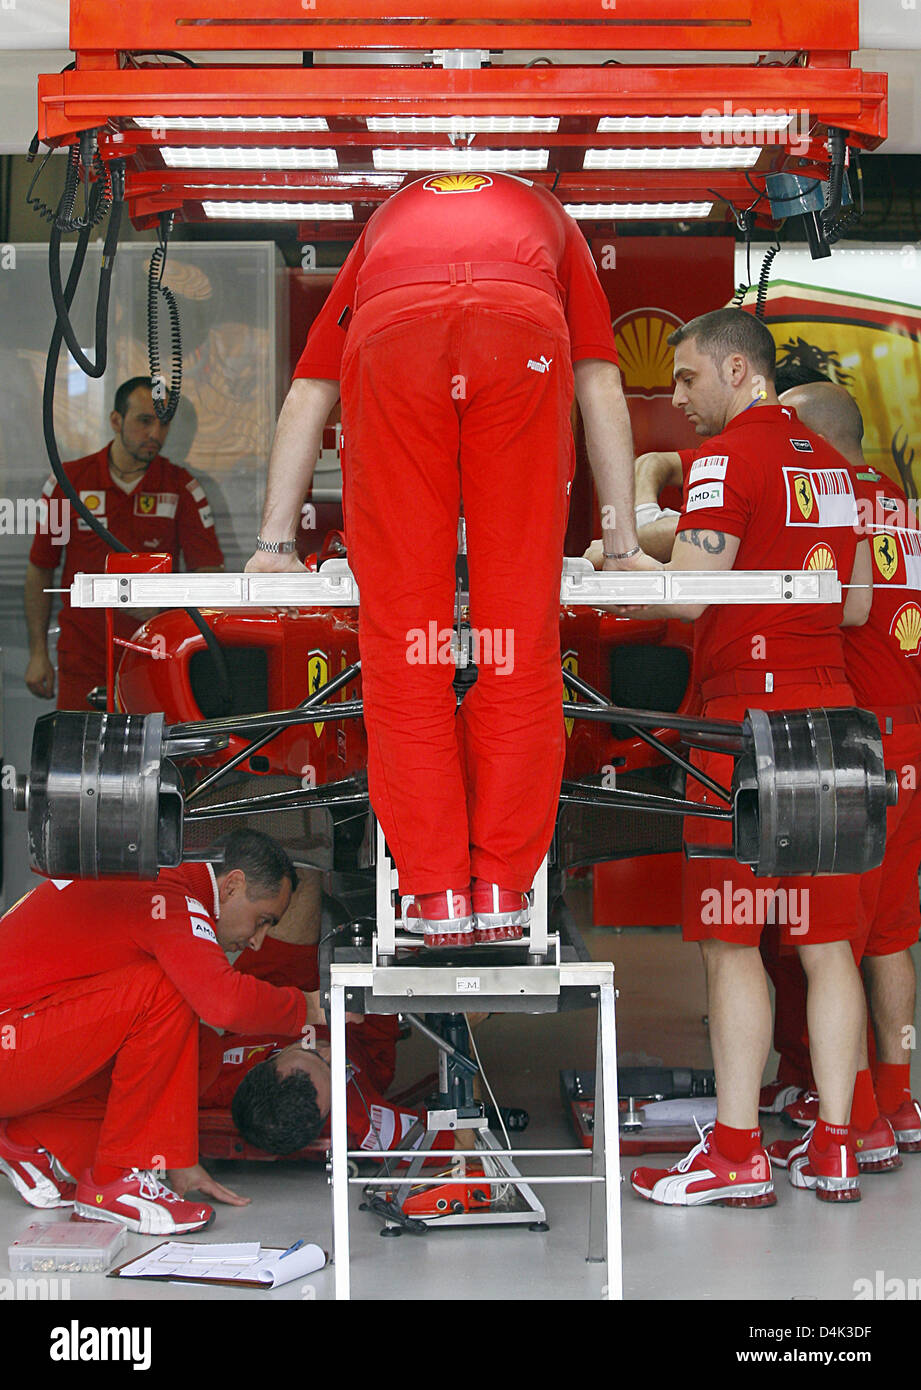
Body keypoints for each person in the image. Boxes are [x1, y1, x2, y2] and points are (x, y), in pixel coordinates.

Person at [244, 171, 656, 948]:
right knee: (518, 646)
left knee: (404, 653)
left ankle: (434, 895)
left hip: (394, 332)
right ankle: (500, 887)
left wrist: (274, 546)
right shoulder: (549, 215)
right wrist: (623, 542)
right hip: (519, 329)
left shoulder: (386, 223)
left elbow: (309, 392)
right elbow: (599, 382)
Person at [599, 308, 873, 1207]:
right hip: (830, 716)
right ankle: (834, 1146)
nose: (674, 397)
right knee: (827, 945)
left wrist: (620, 557)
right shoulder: (836, 470)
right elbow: (854, 606)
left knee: (730, 943)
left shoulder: (723, 459)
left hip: (741, 729)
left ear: (735, 371)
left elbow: (691, 589)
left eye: (685, 378)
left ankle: (739, 1153)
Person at [0, 829, 331, 1234]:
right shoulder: (166, 892)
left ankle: (32, 1139)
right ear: (232, 885)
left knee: (201, 1051)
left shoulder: (158, 880)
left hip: (22, 1045)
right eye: (262, 921)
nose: (259, 942)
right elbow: (223, 1003)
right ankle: (115, 1182)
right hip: (11, 1042)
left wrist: (175, 1156)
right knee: (162, 990)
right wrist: (313, 1006)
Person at [760, 382, 921, 1167]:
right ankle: (896, 1097)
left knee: (832, 942)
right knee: (890, 936)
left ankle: (852, 1117)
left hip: (850, 742)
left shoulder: (822, 504)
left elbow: (837, 610)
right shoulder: (905, 508)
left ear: (804, 435)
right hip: (909, 739)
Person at [25, 376, 225, 710]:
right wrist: (37, 654)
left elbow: (209, 574)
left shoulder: (183, 488)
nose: (155, 435)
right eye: (145, 421)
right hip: (83, 660)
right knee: (79, 760)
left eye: (164, 424)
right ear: (116, 420)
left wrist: (165, 606)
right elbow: (40, 569)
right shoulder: (68, 483)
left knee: (149, 760)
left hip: (156, 656)